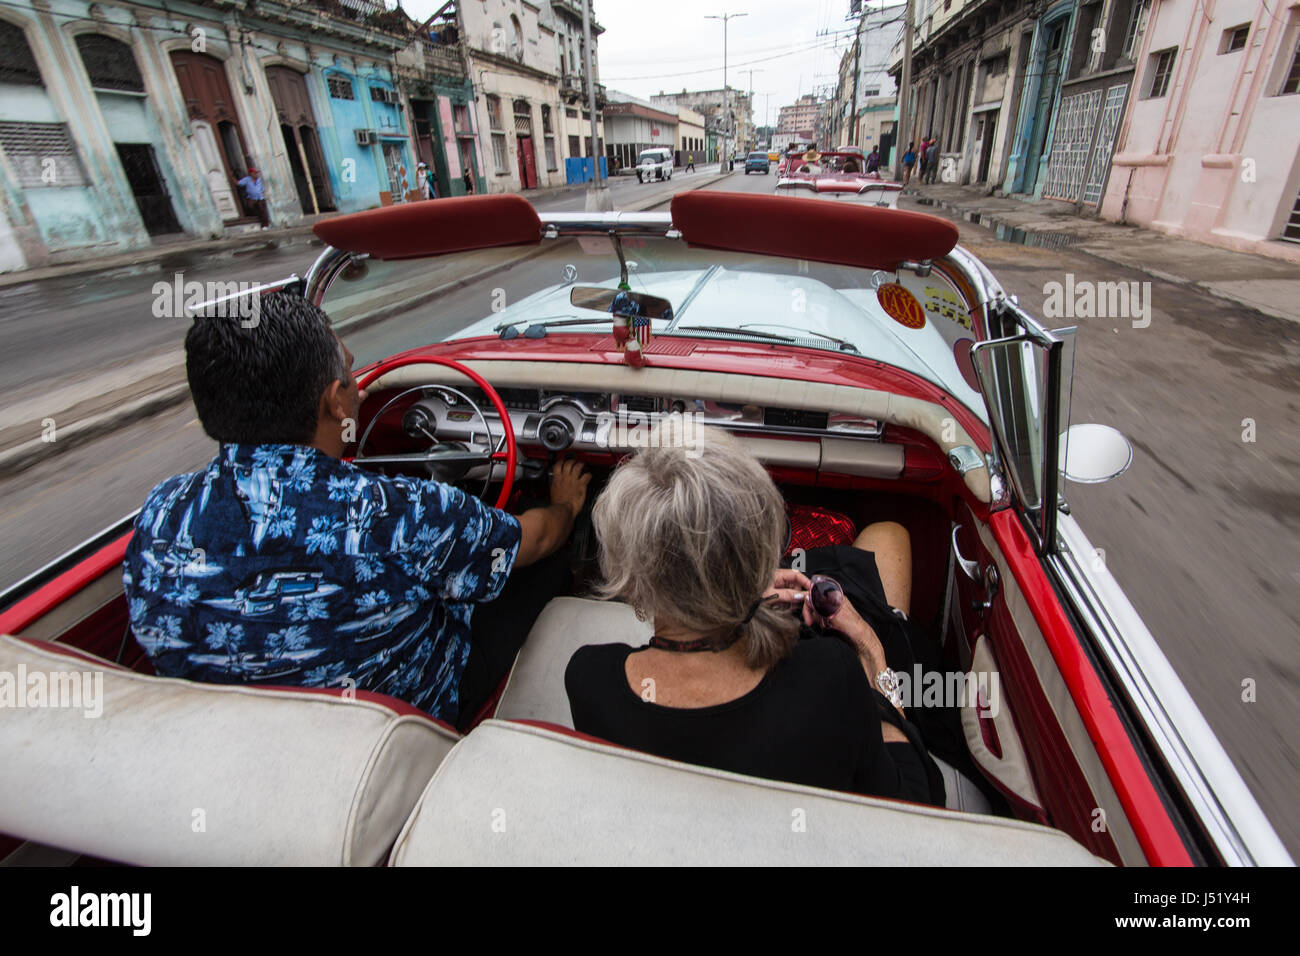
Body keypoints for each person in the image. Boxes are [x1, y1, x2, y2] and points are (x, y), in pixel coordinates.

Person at [123, 292, 589, 731]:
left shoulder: (160, 514)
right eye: (351, 375)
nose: (362, 391)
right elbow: (538, 538)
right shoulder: (398, 512)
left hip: (233, 736)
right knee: (539, 557)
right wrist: (566, 504)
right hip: (405, 726)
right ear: (335, 400)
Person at [565, 423, 943, 805]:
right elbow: (916, 801)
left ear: (629, 576)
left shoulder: (590, 678)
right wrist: (871, 650)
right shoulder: (831, 674)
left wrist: (731, 597)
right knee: (888, 536)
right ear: (763, 552)